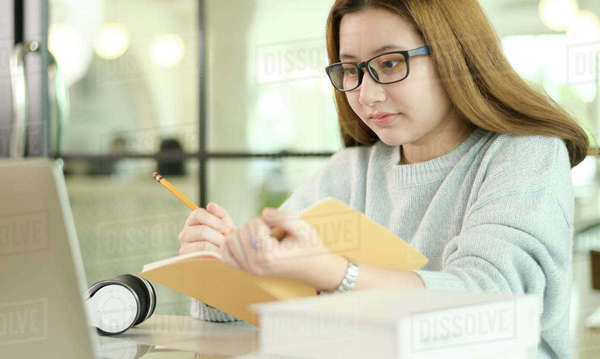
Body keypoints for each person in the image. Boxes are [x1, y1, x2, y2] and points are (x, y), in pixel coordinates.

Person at [178, 0, 590, 357]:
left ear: (456, 55)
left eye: (390, 63)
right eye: (352, 69)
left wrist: (333, 273)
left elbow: (488, 300)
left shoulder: (526, 153)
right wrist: (221, 266)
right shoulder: (350, 171)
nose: (367, 95)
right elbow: (253, 312)